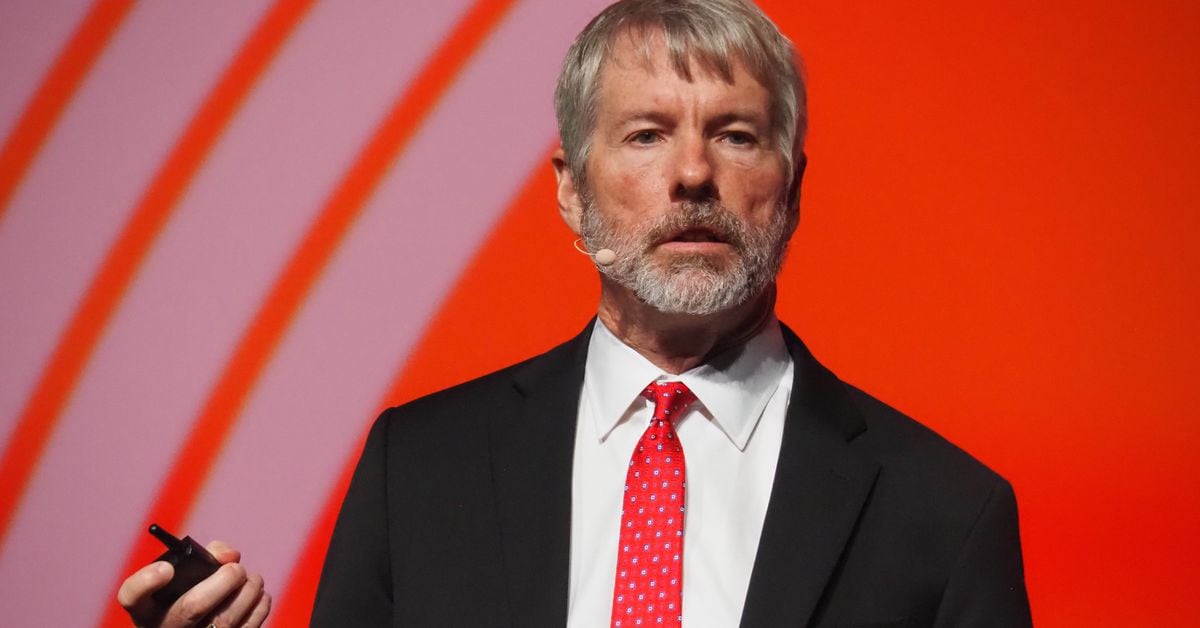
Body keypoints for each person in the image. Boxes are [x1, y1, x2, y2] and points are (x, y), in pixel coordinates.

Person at [122, 0, 1032, 626]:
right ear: (570, 190)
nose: (692, 174)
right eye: (646, 134)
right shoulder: (418, 471)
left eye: (735, 135)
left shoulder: (947, 512)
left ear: (790, 190)